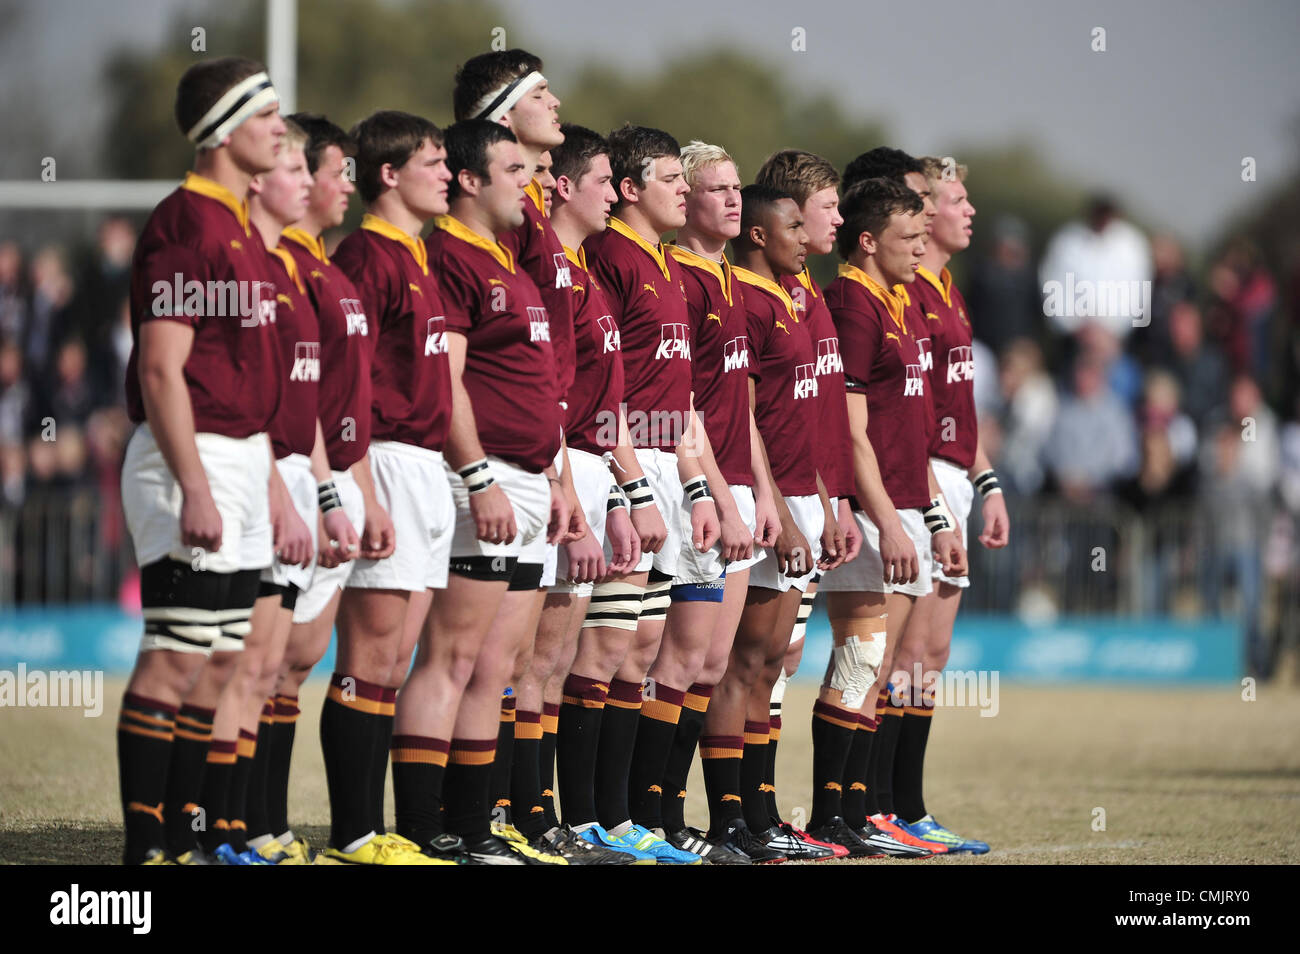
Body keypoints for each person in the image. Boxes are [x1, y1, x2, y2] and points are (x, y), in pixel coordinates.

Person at [116, 56, 285, 865]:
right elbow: (159, 369)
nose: (281, 130)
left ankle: (187, 839)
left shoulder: (241, 228)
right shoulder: (186, 221)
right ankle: (147, 848)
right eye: (267, 116)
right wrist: (193, 485)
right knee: (176, 656)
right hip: (196, 456)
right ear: (222, 130)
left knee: (220, 662)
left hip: (241, 457)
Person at [416, 119, 572, 864]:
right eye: (514, 168)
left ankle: (476, 827)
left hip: (527, 479)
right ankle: (422, 830)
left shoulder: (507, 261)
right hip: (483, 477)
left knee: (500, 669)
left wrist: (552, 474)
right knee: (450, 659)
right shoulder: (448, 255)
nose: (529, 181)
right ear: (469, 179)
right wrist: (478, 474)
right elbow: (445, 381)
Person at [580, 124, 721, 864]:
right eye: (672, 177)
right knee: (604, 649)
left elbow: (684, 395)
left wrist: (696, 484)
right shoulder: (608, 258)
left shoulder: (666, 264)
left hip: (667, 466)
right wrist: (627, 481)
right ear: (630, 189)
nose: (686, 191)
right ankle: (586, 817)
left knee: (638, 651)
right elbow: (604, 383)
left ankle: (627, 816)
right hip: (619, 461)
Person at [816, 176, 967, 857]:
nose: (921, 247)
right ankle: (834, 814)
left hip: (906, 507)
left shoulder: (897, 300)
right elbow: (849, 430)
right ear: (869, 240)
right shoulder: (851, 301)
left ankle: (867, 814)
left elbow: (910, 429)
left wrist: (932, 513)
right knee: (860, 664)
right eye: (909, 237)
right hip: (876, 513)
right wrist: (890, 518)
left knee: (880, 672)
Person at [326, 110, 457, 865]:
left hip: (425, 465)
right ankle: (353, 832)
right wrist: (365, 490)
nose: (444, 175)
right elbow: (353, 386)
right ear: (389, 174)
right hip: (382, 461)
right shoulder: (365, 258)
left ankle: (380, 831)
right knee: (369, 655)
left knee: (396, 657)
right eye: (433, 163)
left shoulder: (416, 254)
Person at [888, 156, 1009, 854]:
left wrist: (987, 485)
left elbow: (960, 411)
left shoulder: (949, 289)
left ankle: (911, 807)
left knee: (930, 655)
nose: (969, 213)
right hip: (920, 481)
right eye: (958, 200)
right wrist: (935, 505)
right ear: (924, 211)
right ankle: (879, 808)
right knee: (902, 654)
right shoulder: (905, 296)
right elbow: (904, 423)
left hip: (955, 479)